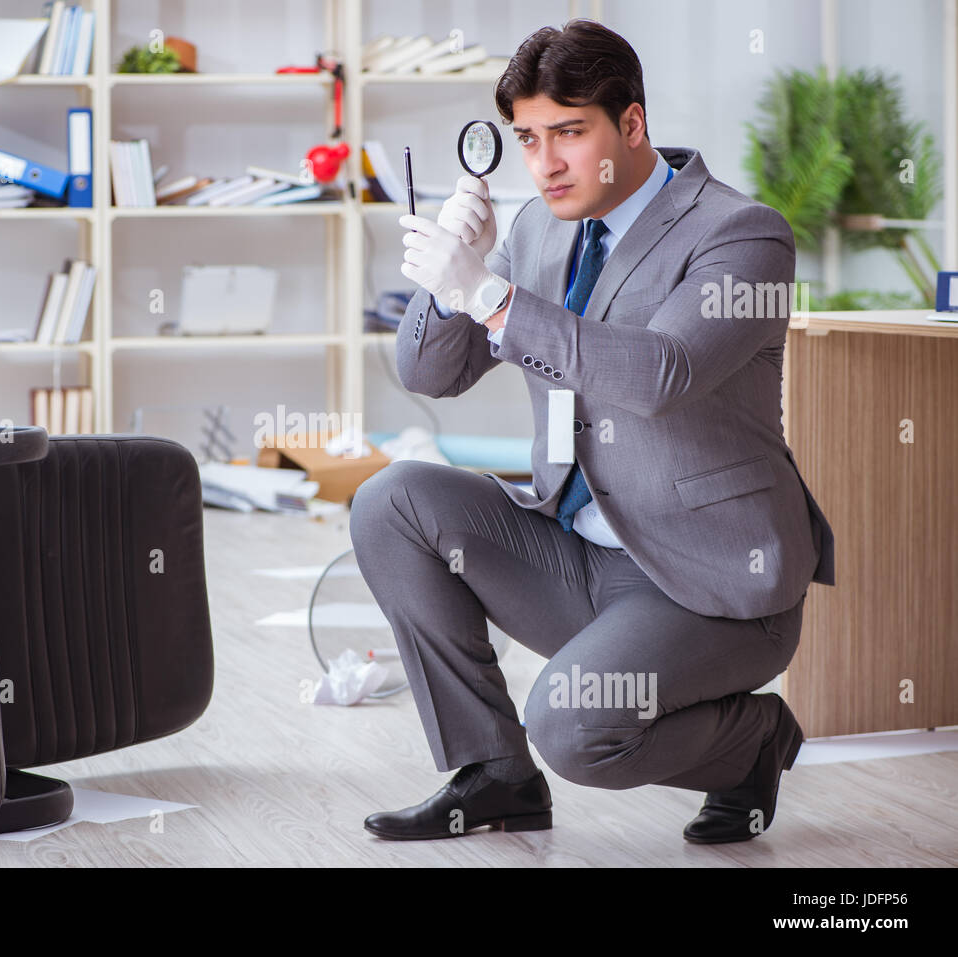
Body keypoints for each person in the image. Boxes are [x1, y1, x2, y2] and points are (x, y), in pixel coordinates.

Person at [350, 18, 835, 845]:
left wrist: (495, 298)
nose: (544, 164)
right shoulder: (540, 228)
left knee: (574, 727)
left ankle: (753, 741)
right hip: (578, 555)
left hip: (713, 584)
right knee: (390, 500)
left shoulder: (741, 234)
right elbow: (432, 375)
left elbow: (660, 374)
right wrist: (451, 272)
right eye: (528, 138)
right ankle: (495, 772)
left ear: (633, 125)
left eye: (569, 133)